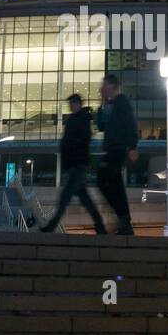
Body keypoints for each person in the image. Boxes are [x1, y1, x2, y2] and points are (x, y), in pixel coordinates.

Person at [40, 94, 106, 234]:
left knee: (65, 198)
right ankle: (100, 226)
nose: (70, 106)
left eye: (72, 103)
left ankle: (52, 226)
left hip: (77, 164)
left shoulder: (81, 120)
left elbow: (81, 140)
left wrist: (70, 152)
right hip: (75, 164)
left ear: (78, 104)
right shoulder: (75, 120)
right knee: (85, 199)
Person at [95, 74, 139, 236]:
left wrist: (132, 146)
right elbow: (100, 126)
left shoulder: (122, 102)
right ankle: (124, 221)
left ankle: (124, 220)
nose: (102, 88)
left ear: (112, 86)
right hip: (110, 149)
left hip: (118, 149)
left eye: (104, 85)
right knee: (114, 185)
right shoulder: (107, 105)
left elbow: (131, 123)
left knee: (104, 179)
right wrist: (101, 104)